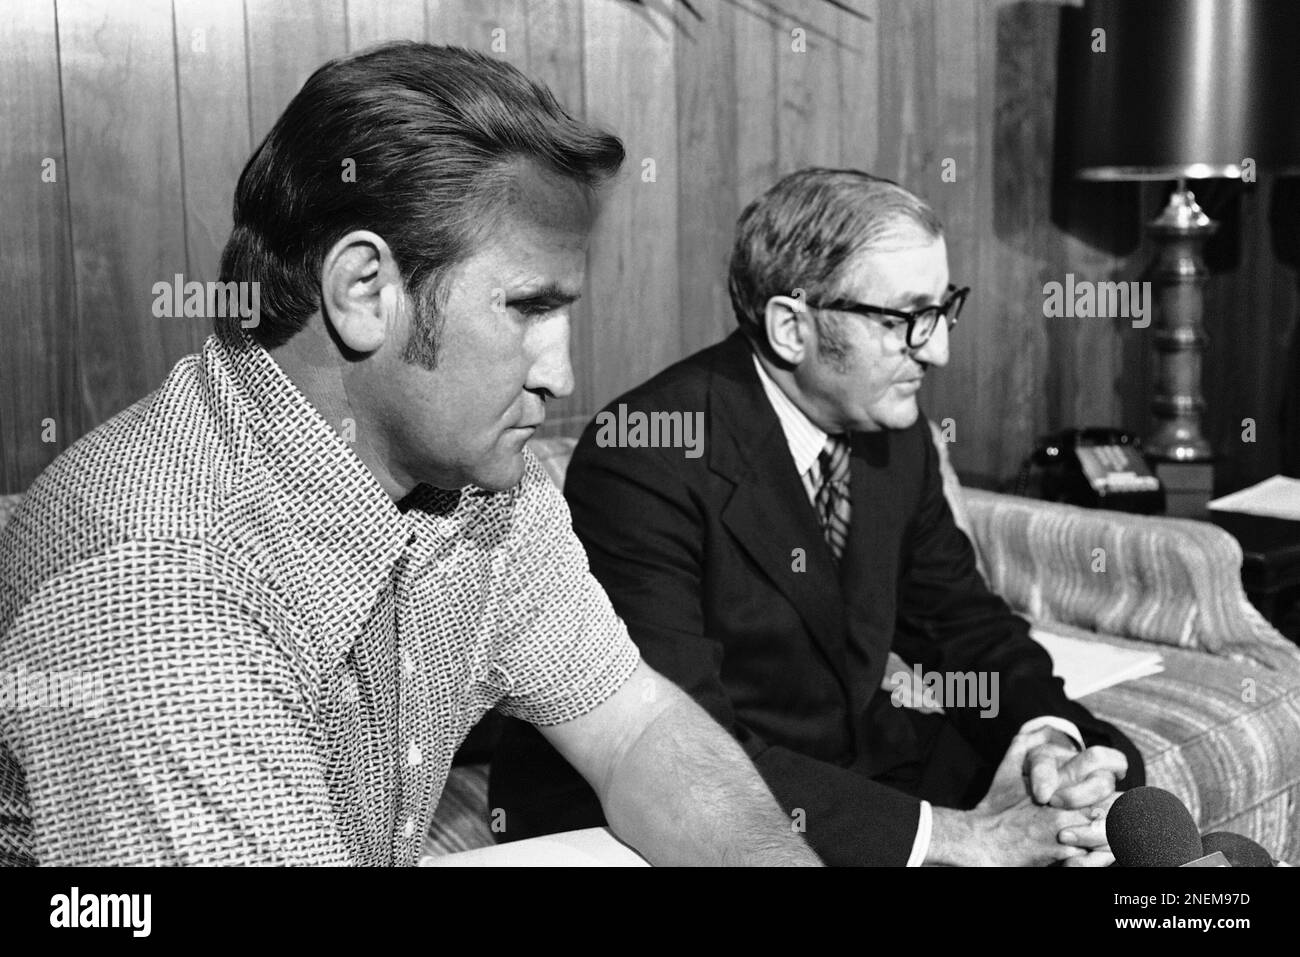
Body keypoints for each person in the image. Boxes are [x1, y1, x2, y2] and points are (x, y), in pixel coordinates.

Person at [0, 43, 819, 867]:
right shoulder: (158, 586)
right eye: (528, 306)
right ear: (364, 293)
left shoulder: (482, 480)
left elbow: (636, 729)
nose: (562, 374)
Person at [490, 168, 1146, 866]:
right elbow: (681, 749)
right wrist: (963, 839)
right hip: (682, 802)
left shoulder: (893, 430)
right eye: (904, 320)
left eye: (943, 308)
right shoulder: (646, 456)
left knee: (1107, 824)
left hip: (844, 769)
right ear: (791, 326)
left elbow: (962, 623)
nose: (938, 350)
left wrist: (1049, 741)